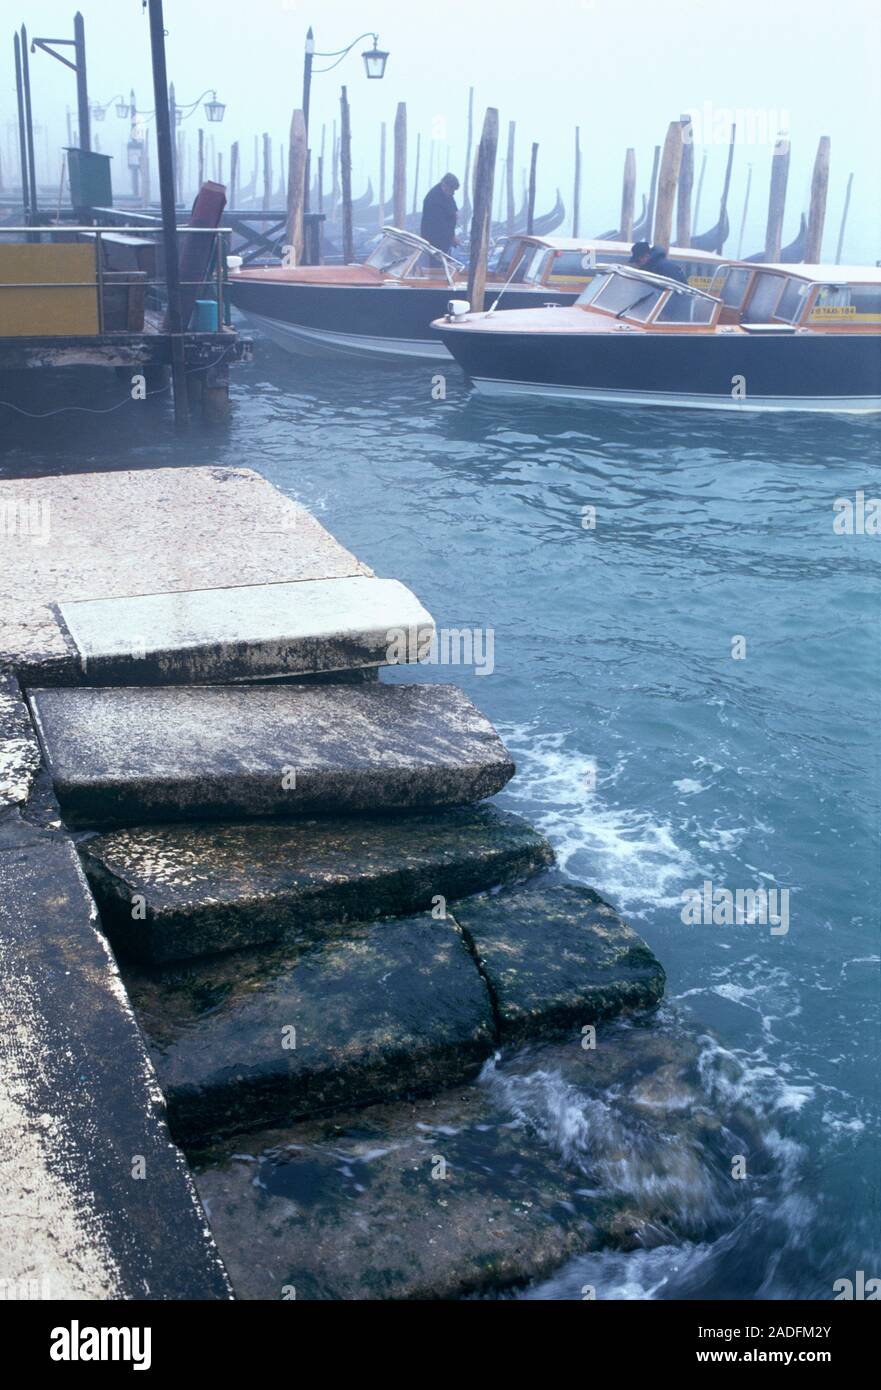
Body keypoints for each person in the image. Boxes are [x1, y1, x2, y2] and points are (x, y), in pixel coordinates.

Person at [421, 173, 460, 255]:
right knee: (436, 263)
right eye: (452, 190)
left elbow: (452, 206)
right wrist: (451, 237)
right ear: (444, 185)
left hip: (445, 240)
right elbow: (440, 225)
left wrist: (455, 213)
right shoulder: (433, 199)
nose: (453, 193)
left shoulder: (447, 194)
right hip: (434, 242)